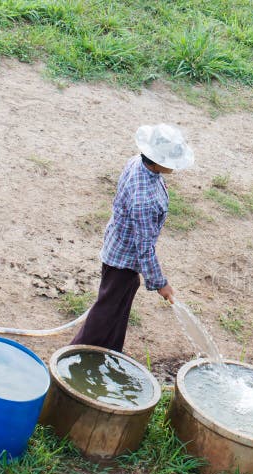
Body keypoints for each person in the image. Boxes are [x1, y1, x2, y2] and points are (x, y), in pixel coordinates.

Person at [71, 124, 194, 352]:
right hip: (123, 259)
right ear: (158, 161)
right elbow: (144, 248)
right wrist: (160, 283)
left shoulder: (137, 164)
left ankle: (111, 351)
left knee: (120, 301)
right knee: (106, 311)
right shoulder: (144, 199)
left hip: (118, 246)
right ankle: (72, 356)